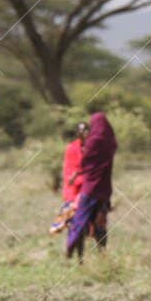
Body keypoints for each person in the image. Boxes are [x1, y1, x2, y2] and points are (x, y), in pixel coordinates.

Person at [65, 112, 116, 262]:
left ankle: (73, 247)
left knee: (81, 220)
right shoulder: (110, 144)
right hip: (104, 191)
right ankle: (96, 256)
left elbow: (86, 164)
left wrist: (79, 174)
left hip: (89, 189)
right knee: (99, 222)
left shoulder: (92, 143)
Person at [49, 120, 89, 236]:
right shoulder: (71, 148)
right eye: (82, 132)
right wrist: (78, 178)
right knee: (70, 206)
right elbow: (69, 169)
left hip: (91, 182)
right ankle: (60, 223)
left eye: (87, 132)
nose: (85, 134)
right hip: (75, 185)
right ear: (78, 134)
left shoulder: (94, 147)